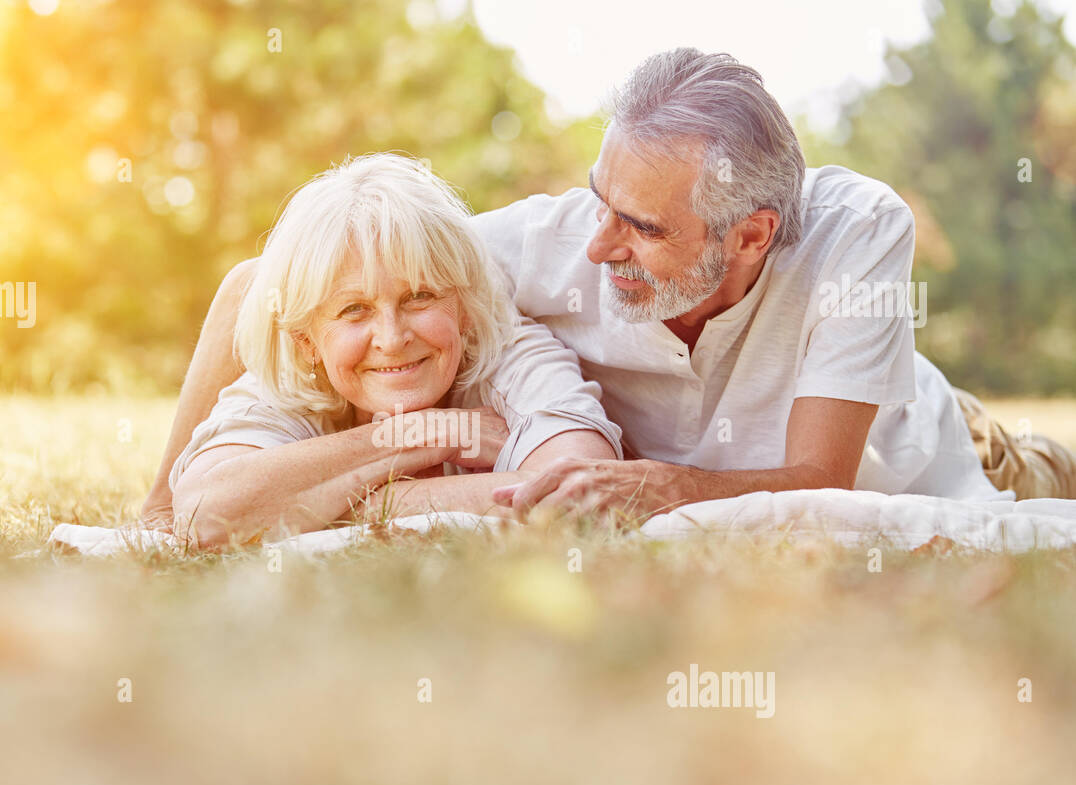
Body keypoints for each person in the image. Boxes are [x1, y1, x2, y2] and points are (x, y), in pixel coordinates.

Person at [145, 48, 1076, 531]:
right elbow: (255, 288)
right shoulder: (548, 245)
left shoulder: (853, 230)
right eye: (602, 200)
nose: (600, 244)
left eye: (642, 228)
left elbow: (820, 485)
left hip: (922, 444)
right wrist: (157, 510)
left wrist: (665, 487)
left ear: (750, 234)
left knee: (1036, 473)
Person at [167, 153, 621, 548]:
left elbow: (585, 494)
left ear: (463, 307)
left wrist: (321, 503)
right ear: (307, 340)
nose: (391, 337)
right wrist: (423, 435)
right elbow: (203, 514)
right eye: (354, 310)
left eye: (419, 297)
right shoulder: (292, 379)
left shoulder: (510, 352)